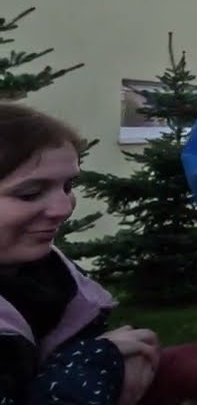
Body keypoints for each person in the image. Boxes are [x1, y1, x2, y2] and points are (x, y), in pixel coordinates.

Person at [1, 102, 160, 405]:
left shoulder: (54, 279)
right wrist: (95, 366)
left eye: (68, 186)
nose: (63, 209)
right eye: (30, 194)